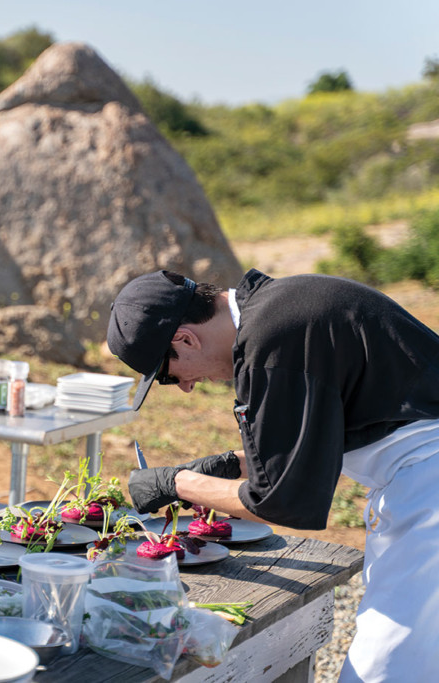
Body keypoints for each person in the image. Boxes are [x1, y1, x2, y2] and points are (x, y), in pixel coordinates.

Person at [106, 268, 439, 681]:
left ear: (185, 339)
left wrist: (177, 482)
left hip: (428, 484)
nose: (186, 387)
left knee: (384, 666)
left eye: (168, 375)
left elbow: (283, 499)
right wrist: (227, 466)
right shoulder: (281, 313)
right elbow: (306, 449)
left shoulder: (271, 344)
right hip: (420, 473)